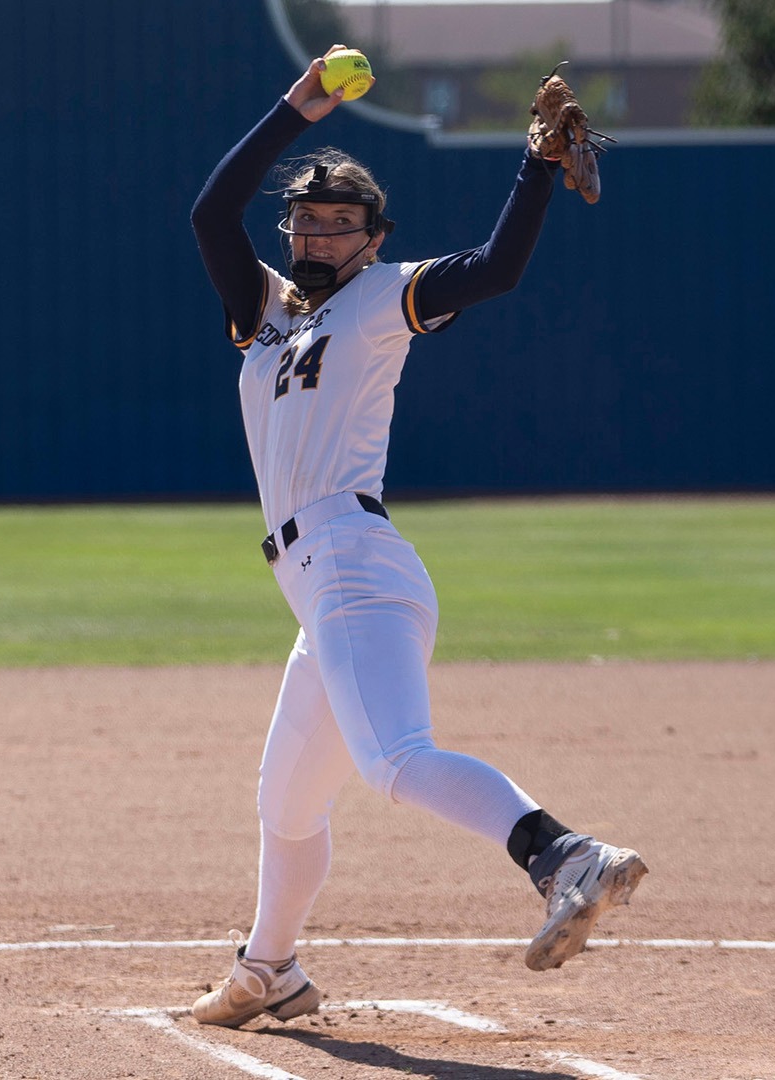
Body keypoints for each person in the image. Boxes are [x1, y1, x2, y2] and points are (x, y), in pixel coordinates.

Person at [185, 47, 647, 1029]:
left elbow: (497, 268)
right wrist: (293, 109)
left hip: (354, 565)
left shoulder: (387, 295)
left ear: (373, 235)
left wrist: (532, 167)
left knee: (395, 761)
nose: (317, 231)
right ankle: (270, 967)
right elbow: (209, 212)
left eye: (339, 221)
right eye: (305, 218)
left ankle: (563, 854)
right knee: (286, 804)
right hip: (323, 591)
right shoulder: (261, 309)